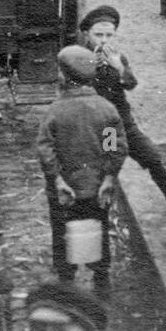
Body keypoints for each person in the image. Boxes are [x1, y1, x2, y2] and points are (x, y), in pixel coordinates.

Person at [79, 5, 166, 220]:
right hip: (105, 128)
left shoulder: (117, 57)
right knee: (108, 166)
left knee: (152, 157)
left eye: (109, 35)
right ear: (86, 34)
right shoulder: (79, 59)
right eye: (98, 35)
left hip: (124, 122)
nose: (103, 40)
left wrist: (119, 68)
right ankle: (100, 212)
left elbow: (131, 84)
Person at [36, 46, 127, 297]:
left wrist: (56, 180)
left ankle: (66, 279)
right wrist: (109, 178)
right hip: (96, 187)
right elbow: (113, 147)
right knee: (98, 227)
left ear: (63, 77)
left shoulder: (55, 111)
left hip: (66, 189)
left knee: (62, 232)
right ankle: (101, 278)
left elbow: (46, 149)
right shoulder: (106, 109)